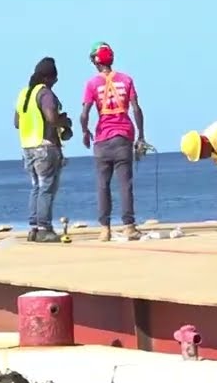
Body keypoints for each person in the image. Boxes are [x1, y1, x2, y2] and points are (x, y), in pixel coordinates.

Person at [79, 41, 146, 242]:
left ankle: (104, 229)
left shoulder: (91, 84)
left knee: (102, 185)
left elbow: (84, 114)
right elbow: (136, 108)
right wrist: (141, 135)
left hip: (101, 140)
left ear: (95, 61)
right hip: (123, 137)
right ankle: (129, 226)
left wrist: (85, 131)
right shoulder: (126, 80)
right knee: (125, 184)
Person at [14, 57, 68, 243]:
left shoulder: (23, 95)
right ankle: (45, 228)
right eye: (55, 77)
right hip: (45, 147)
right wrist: (64, 122)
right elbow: (52, 118)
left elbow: (16, 122)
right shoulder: (44, 94)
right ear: (47, 78)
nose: (56, 81)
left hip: (28, 147)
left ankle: (34, 228)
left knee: (36, 187)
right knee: (46, 188)